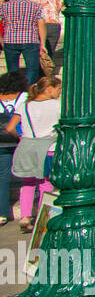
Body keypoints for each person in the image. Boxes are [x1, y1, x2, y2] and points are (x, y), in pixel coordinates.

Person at [5, 75, 60, 232]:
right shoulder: (57, 105)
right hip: (48, 148)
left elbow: (9, 128)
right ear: (49, 89)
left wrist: (21, 136)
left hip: (26, 147)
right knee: (45, 183)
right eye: (58, 89)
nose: (59, 93)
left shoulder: (25, 105)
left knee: (27, 184)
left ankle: (25, 216)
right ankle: (45, 216)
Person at [0, 0, 46, 85]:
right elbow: (41, 25)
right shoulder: (36, 6)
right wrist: (43, 43)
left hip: (10, 39)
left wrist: (1, 39)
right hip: (30, 39)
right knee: (32, 68)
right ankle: (26, 89)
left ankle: (15, 89)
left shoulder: (4, 6)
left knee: (12, 69)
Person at [0, 70, 28, 225]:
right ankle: (27, 211)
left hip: (1, 143)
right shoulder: (23, 98)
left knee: (2, 178)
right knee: (28, 176)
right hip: (20, 140)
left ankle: (2, 213)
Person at [33, 0, 61, 66]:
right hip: (54, 25)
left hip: (38, 24)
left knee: (37, 49)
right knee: (50, 50)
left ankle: (37, 68)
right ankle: (48, 69)